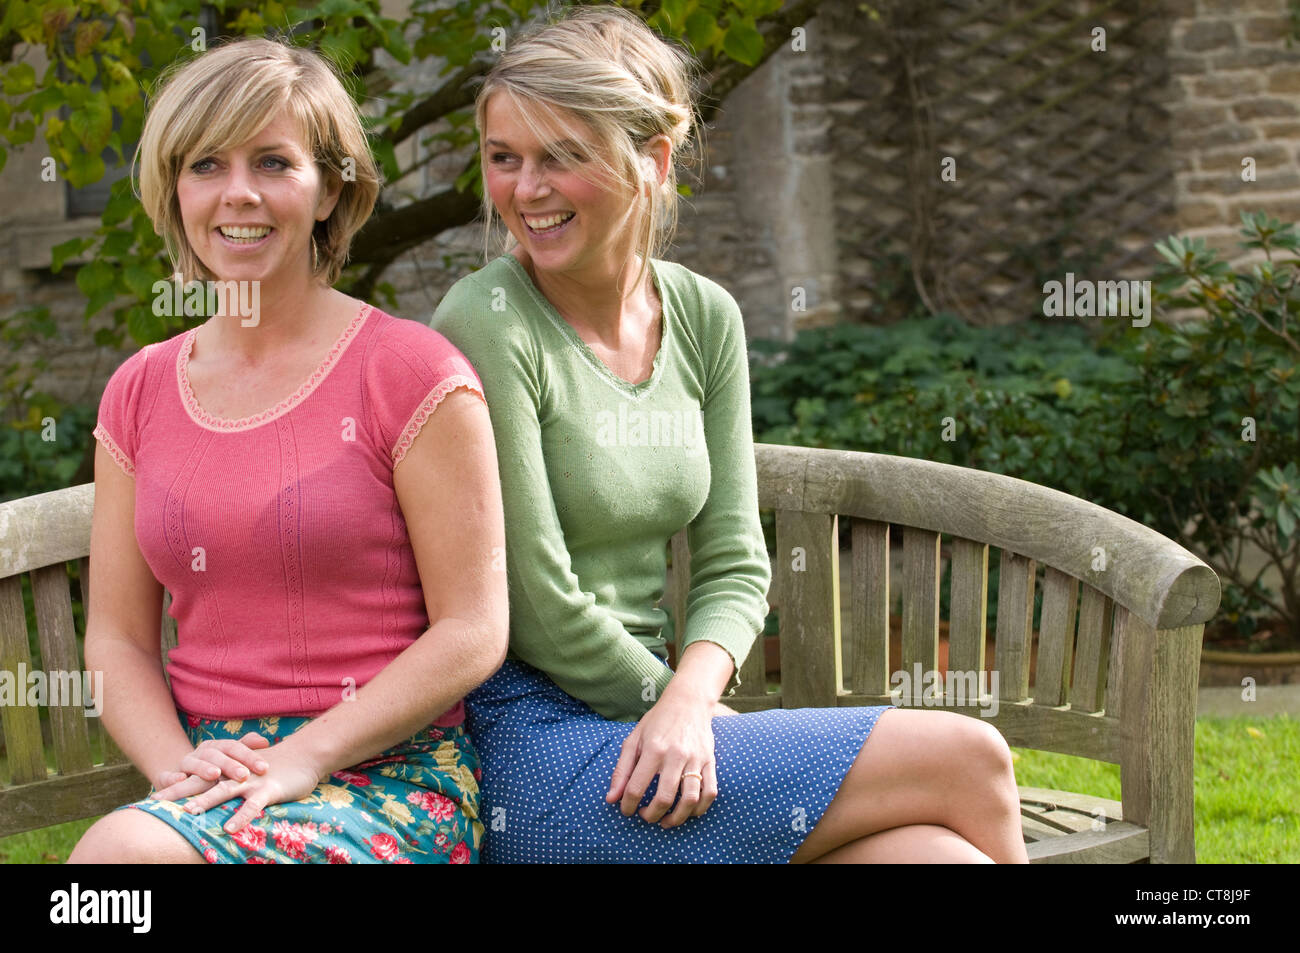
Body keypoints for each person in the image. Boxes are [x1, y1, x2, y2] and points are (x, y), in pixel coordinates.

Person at [431, 5, 1029, 863]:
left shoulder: (705, 316)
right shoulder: (488, 320)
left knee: (939, 856)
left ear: (654, 159)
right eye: (505, 158)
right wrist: (677, 705)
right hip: (536, 751)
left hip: (658, 733)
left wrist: (691, 698)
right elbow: (536, 603)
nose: (527, 190)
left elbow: (736, 560)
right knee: (971, 758)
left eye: (564, 155)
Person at [68, 36, 507, 864]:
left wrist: (305, 754)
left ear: (330, 187)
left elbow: (473, 628)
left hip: (388, 775)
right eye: (206, 165)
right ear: (174, 188)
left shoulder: (412, 371)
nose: (239, 194)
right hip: (212, 782)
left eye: (273, 162)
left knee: (112, 868)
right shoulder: (139, 390)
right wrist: (176, 770)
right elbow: (118, 639)